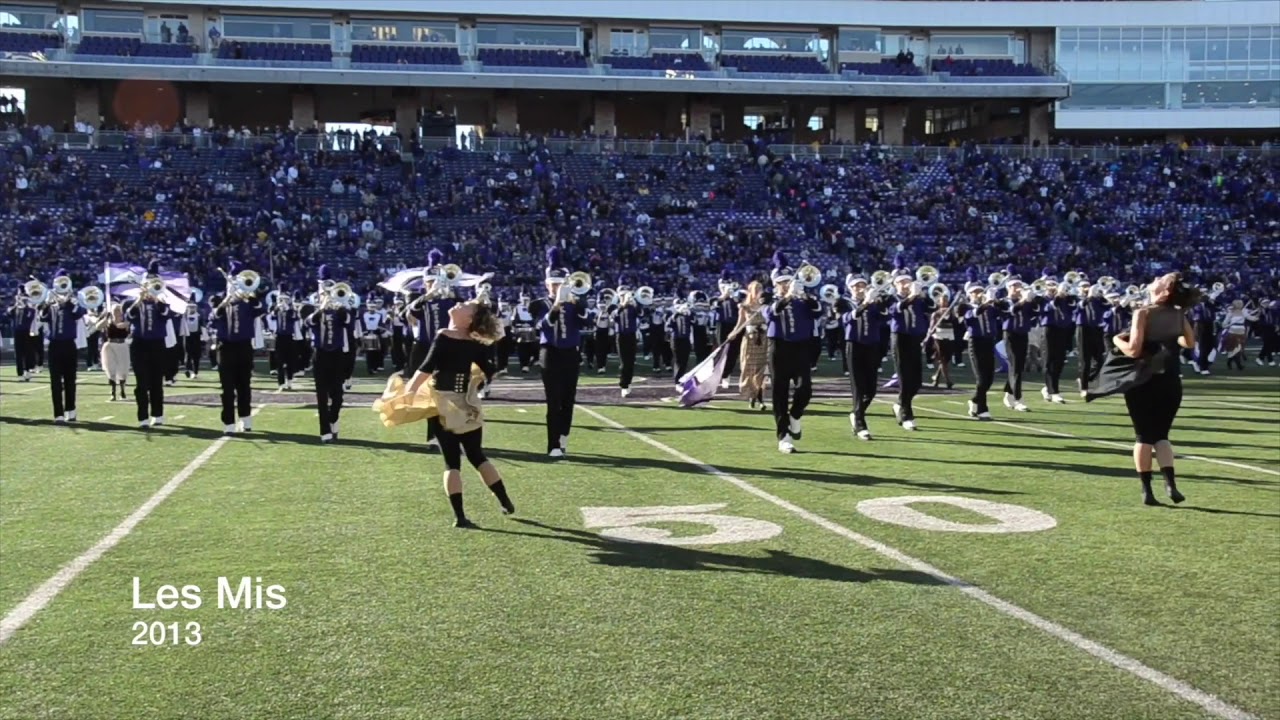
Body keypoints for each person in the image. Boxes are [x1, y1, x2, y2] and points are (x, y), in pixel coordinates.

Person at [1089, 273, 1198, 506]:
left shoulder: (1143, 312)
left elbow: (1134, 350)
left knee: (1143, 437)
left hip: (1143, 380)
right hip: (1170, 381)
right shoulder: (1179, 314)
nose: (1156, 278)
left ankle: (1147, 490)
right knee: (1162, 436)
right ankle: (1171, 485)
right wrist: (1168, 341)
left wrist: (1118, 340)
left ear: (1165, 290)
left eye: (1162, 278)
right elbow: (1189, 343)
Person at [404, 300, 514, 528]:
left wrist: (411, 389)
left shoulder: (444, 334)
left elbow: (426, 366)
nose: (459, 303)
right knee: (477, 455)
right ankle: (505, 501)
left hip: (442, 402)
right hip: (467, 402)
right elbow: (490, 369)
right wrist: (478, 384)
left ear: (469, 319)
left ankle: (460, 517)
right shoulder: (475, 342)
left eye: (466, 305)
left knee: (451, 461)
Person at [531, 247, 588, 458]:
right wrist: (556, 306)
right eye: (553, 284)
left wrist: (579, 303)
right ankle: (553, 444)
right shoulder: (539, 303)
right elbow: (543, 326)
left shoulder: (575, 303)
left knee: (568, 399)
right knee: (553, 400)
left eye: (560, 284)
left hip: (571, 353)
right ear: (547, 285)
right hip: (550, 353)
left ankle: (563, 436)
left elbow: (585, 323)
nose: (556, 288)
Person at [763, 251, 819, 453]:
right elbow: (770, 313)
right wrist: (787, 297)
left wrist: (803, 295)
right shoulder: (769, 297)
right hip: (778, 347)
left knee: (805, 388)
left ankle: (795, 415)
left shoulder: (804, 299)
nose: (786, 284)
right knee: (780, 393)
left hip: (801, 347)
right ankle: (783, 436)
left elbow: (818, 310)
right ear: (776, 284)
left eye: (788, 281)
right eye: (782, 282)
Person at [212, 261, 265, 435]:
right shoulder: (219, 299)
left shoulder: (249, 302)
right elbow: (213, 318)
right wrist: (227, 300)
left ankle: (246, 419)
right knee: (227, 388)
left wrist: (249, 295)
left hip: (244, 346)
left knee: (244, 386)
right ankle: (228, 422)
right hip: (225, 347)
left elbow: (260, 310)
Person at [126, 262, 176, 428]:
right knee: (141, 383)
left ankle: (157, 414)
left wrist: (158, 299)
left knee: (156, 381)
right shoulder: (134, 303)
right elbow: (130, 316)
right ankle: (143, 417)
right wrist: (139, 299)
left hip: (157, 344)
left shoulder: (162, 303)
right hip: (139, 344)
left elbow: (166, 315)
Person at [842, 275, 892, 439]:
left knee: (871, 389)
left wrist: (879, 302)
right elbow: (848, 318)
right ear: (850, 288)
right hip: (854, 345)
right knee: (858, 386)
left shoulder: (873, 304)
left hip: (872, 345)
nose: (860, 289)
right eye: (856, 286)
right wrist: (865, 304)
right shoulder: (843, 302)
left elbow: (885, 318)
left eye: (863, 285)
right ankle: (860, 423)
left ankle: (856, 414)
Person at [307, 279, 355, 443]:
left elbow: (349, 322)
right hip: (320, 355)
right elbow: (309, 322)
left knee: (338, 395)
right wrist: (322, 308)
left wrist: (338, 305)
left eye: (329, 294)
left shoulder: (342, 312)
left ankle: (333, 418)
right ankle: (325, 432)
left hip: (337, 355)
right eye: (323, 294)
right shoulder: (314, 311)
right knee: (321, 395)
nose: (327, 297)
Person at [889, 270, 935, 431]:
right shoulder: (891, 297)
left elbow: (932, 308)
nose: (905, 285)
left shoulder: (918, 298)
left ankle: (900, 403)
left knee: (916, 381)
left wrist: (923, 294)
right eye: (901, 282)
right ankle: (906, 414)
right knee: (905, 377)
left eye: (907, 281)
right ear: (895, 284)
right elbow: (895, 310)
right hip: (900, 338)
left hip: (915, 338)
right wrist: (912, 297)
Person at [41, 271, 87, 423]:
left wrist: (67, 301)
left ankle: (71, 410)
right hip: (55, 345)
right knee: (55, 381)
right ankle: (58, 414)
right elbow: (42, 316)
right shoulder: (51, 307)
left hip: (69, 345)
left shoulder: (73, 304)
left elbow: (79, 313)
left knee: (70, 380)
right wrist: (48, 302)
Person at [963, 283, 1003, 420]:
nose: (979, 294)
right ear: (969, 294)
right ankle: (982, 409)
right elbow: (973, 315)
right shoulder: (966, 307)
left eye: (980, 291)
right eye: (975, 292)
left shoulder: (990, 307)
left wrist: (996, 301)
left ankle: (974, 400)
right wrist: (987, 303)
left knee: (989, 378)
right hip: (976, 343)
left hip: (989, 342)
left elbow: (1004, 311)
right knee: (981, 377)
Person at [731, 280, 768, 410]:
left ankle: (760, 398)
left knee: (761, 371)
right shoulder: (745, 307)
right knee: (749, 369)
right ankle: (752, 396)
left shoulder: (765, 307)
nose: (759, 292)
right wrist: (734, 333)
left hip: (763, 340)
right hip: (750, 340)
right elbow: (740, 323)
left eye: (760, 289)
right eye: (756, 290)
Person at [95, 303, 131, 400]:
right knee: (111, 368)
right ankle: (113, 391)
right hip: (110, 346)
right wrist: (105, 319)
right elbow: (97, 327)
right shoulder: (108, 321)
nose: (117, 313)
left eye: (118, 311)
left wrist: (112, 322)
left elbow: (121, 326)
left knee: (123, 369)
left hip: (122, 346)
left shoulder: (125, 321)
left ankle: (122, 390)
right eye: (115, 311)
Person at [611, 284, 641, 397]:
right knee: (624, 363)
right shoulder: (615, 307)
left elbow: (641, 313)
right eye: (622, 295)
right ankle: (624, 385)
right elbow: (613, 317)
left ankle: (628, 383)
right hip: (621, 336)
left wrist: (635, 303)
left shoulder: (633, 307)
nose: (625, 296)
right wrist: (622, 305)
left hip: (631, 336)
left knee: (631, 362)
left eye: (626, 294)